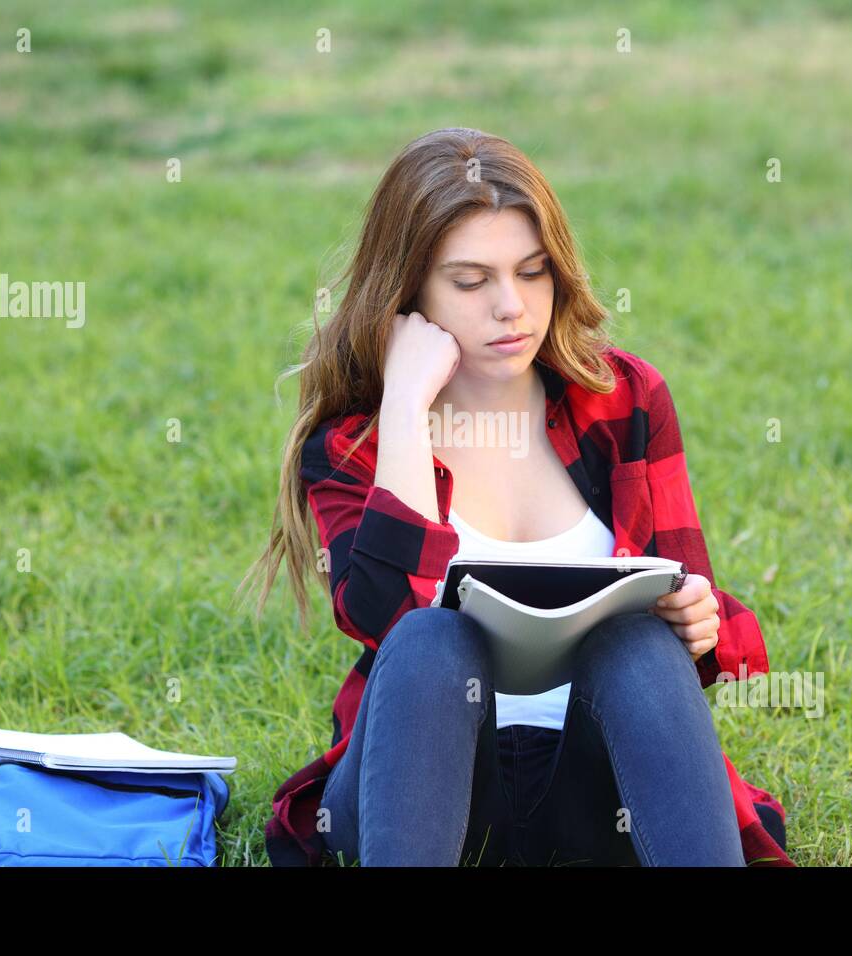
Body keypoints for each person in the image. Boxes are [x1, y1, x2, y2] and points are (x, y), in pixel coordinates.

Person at [244, 127, 793, 866]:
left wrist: (699, 619)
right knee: (432, 636)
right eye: (471, 282)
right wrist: (407, 405)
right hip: (430, 792)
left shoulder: (624, 399)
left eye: (532, 272)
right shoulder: (356, 443)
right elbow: (381, 618)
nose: (513, 307)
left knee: (637, 639)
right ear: (407, 293)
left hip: (599, 794)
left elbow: (690, 637)